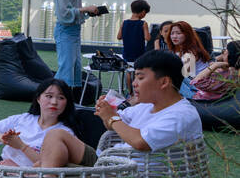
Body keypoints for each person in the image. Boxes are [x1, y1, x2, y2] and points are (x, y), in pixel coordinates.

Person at [36, 49, 204, 165]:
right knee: (52, 147)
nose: (135, 84)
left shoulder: (181, 114)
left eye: (140, 78)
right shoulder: (146, 106)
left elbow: (141, 142)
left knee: (53, 145)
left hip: (125, 177)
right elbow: (112, 125)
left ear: (164, 82)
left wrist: (112, 117)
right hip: (110, 164)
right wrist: (106, 112)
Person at [51, 0, 102, 88]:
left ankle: (70, 95)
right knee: (67, 66)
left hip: (74, 31)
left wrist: (88, 12)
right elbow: (64, 14)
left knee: (75, 65)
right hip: (65, 31)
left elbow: (73, 12)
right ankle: (58, 93)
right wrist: (85, 9)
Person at [163, 20, 210, 99]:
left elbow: (186, 77)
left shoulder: (190, 53)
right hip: (193, 84)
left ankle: (193, 98)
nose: (174, 36)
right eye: (172, 33)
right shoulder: (180, 50)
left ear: (187, 35)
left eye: (178, 33)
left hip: (198, 86)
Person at [120, 0, 151, 92]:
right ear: (143, 12)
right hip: (139, 53)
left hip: (127, 53)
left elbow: (119, 36)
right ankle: (138, 91)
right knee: (139, 72)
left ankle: (130, 93)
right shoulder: (143, 23)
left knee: (128, 72)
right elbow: (147, 38)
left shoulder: (124, 22)